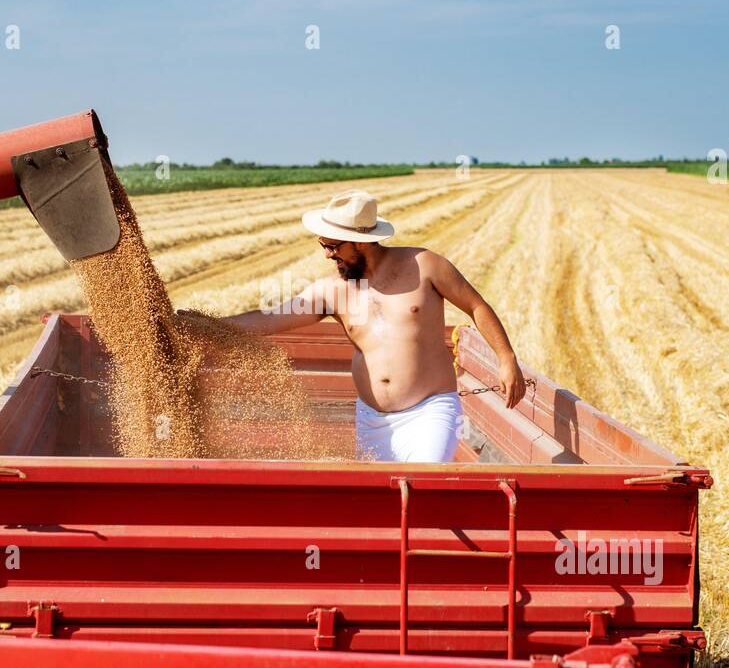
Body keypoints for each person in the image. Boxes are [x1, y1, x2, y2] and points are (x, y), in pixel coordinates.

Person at [208, 189, 525, 463]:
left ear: (360, 242)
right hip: (372, 421)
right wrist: (206, 325)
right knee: (383, 503)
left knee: (423, 484)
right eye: (324, 246)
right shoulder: (331, 290)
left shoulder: (426, 266)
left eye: (333, 246)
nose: (328, 255)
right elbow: (269, 318)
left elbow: (476, 306)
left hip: (429, 411)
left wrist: (506, 357)